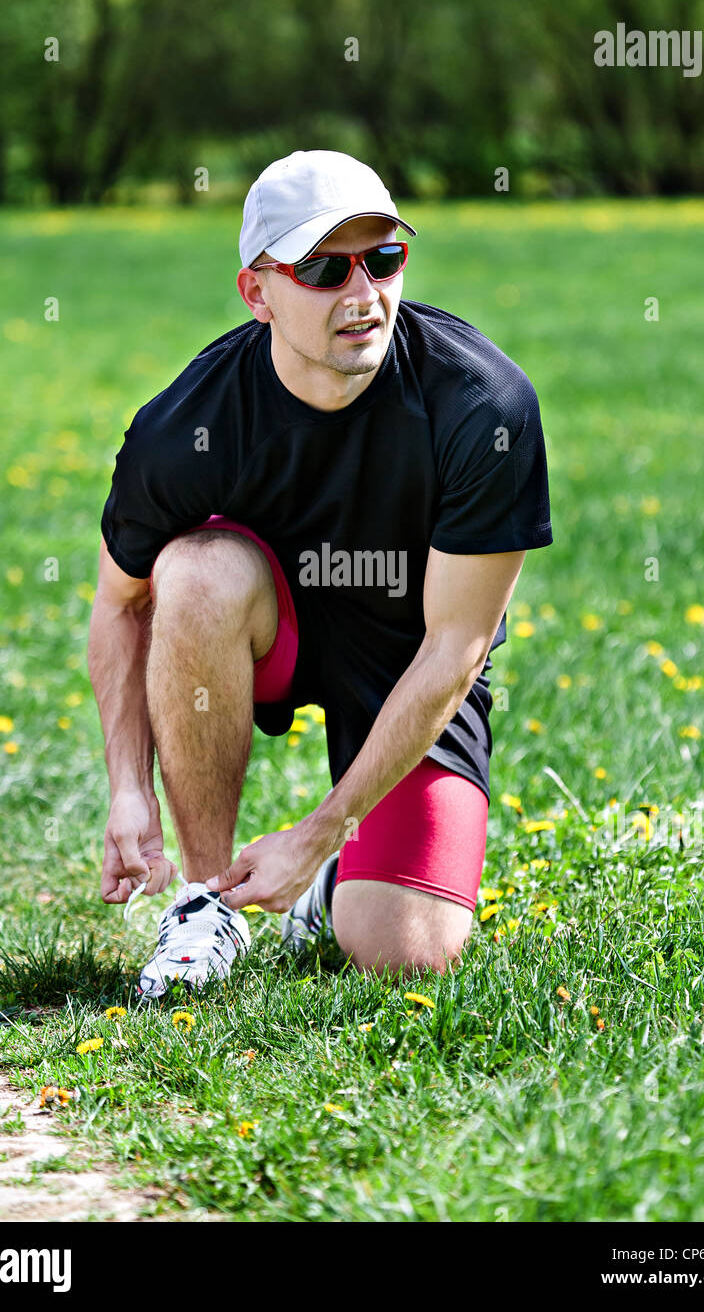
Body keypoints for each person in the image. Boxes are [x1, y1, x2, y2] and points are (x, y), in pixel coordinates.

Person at [88, 149, 553, 998]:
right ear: (257, 292)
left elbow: (456, 646)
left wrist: (324, 831)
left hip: (405, 662)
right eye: (321, 268)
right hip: (272, 628)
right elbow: (120, 605)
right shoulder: (185, 427)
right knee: (189, 573)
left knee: (405, 951)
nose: (362, 293)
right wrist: (129, 790)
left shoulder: (485, 408)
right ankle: (203, 902)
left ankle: (338, 887)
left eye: (382, 258)